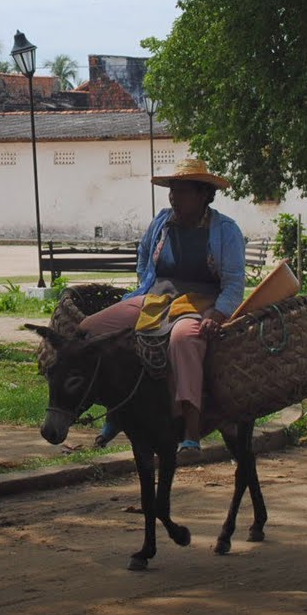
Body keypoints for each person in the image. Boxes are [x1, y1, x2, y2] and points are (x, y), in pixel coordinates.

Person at [82, 157, 246, 449]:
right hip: (157, 296)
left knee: (183, 339)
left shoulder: (225, 230)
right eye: (172, 189)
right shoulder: (162, 221)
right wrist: (143, 287)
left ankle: (191, 430)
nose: (174, 196)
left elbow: (233, 283)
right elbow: (145, 257)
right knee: (92, 329)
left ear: (203, 195)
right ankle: (116, 410)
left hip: (199, 302)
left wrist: (217, 315)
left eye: (182, 191)